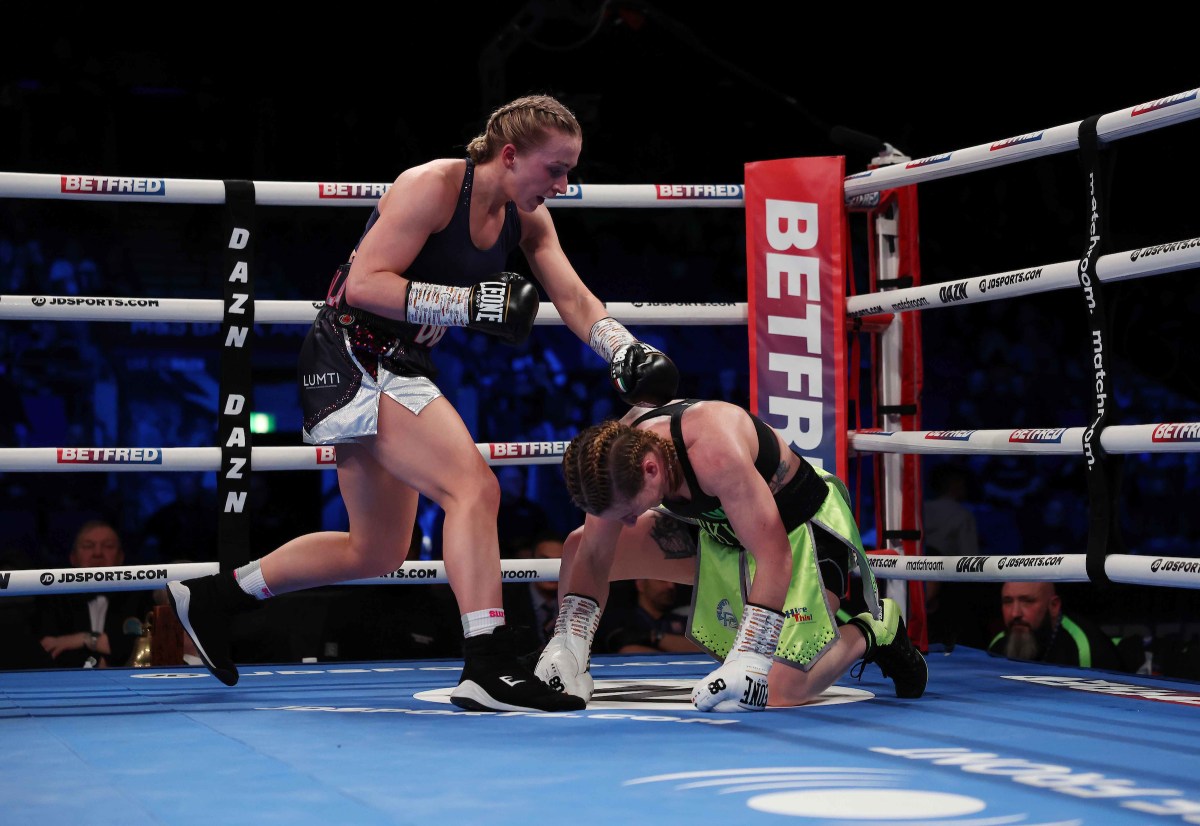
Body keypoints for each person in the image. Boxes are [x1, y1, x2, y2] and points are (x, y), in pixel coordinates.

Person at [166, 93, 678, 712]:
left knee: (377, 549)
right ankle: (487, 661)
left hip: (398, 360)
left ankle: (215, 599)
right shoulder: (432, 186)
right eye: (555, 169)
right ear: (509, 155)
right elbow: (363, 283)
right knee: (474, 489)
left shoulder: (527, 217)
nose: (563, 185)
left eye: (569, 171)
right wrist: (468, 304)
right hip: (354, 353)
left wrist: (621, 348)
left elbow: (571, 296)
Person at [536, 398, 928, 712]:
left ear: (651, 469)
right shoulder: (613, 459)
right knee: (580, 543)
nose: (628, 520)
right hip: (721, 536)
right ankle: (569, 655)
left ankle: (874, 630)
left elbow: (773, 554)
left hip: (796, 535)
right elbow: (593, 556)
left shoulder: (714, 449)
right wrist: (568, 645)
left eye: (628, 510)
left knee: (779, 690)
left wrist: (750, 658)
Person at [34, 520, 155, 669]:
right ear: (73, 558)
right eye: (88, 546)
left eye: (108, 546)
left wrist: (85, 639)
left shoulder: (140, 595)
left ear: (120, 557)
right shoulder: (54, 598)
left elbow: (145, 646)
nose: (97, 553)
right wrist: (98, 660)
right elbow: (48, 648)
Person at [987, 581, 1128, 671]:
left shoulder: (1085, 650)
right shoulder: (997, 645)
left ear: (1054, 606)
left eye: (1027, 601)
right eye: (1007, 602)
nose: (1015, 613)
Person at [599, 578, 701, 655]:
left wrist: (654, 637)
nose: (671, 586)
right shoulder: (622, 619)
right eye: (662, 580)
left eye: (673, 581)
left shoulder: (683, 620)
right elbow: (628, 651)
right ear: (640, 584)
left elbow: (702, 649)